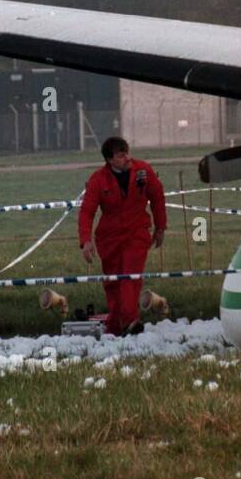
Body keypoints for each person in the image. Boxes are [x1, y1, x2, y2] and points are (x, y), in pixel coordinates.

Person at [78, 136, 167, 335]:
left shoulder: (143, 170)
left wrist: (160, 228)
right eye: (120, 155)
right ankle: (115, 327)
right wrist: (85, 241)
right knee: (113, 283)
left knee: (130, 276)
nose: (127, 158)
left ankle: (129, 321)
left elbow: (157, 197)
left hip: (137, 233)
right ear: (110, 160)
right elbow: (87, 211)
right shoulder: (98, 180)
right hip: (109, 239)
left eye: (127, 153)